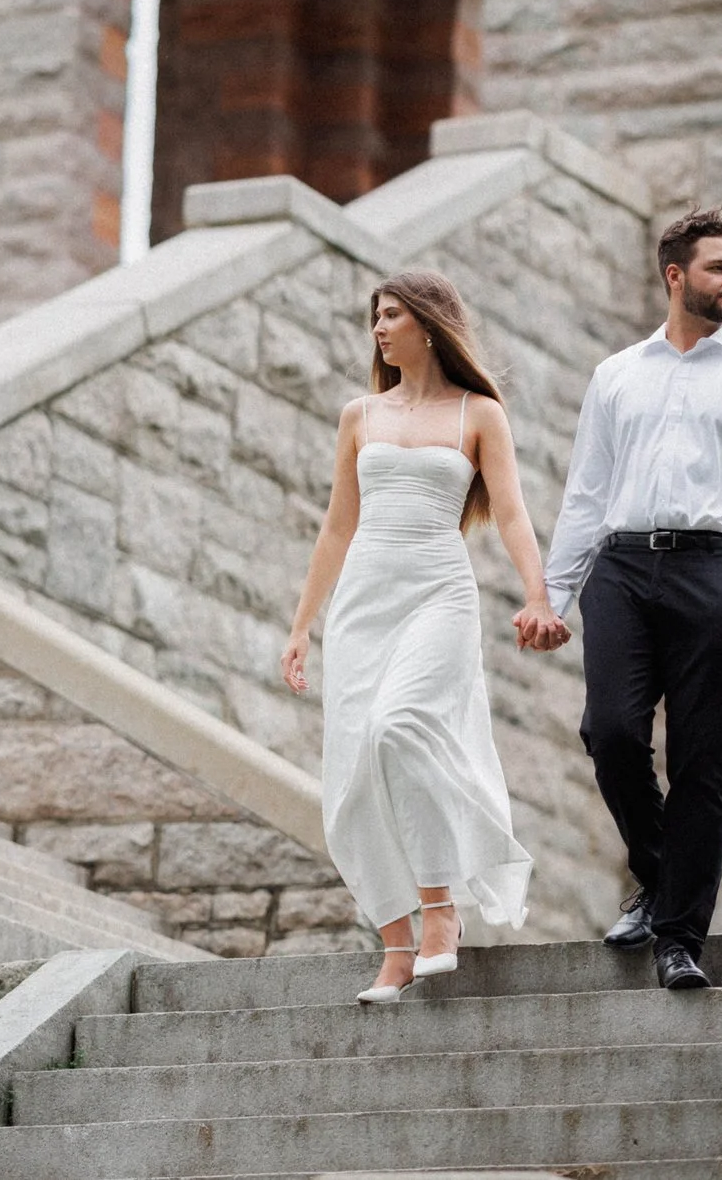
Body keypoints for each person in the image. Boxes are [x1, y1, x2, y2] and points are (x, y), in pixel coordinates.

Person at [282, 270, 571, 1004]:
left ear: (429, 324)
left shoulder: (480, 414)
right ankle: (396, 944)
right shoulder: (360, 415)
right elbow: (338, 525)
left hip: (438, 594)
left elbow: (509, 513)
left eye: (391, 315)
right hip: (362, 603)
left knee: (399, 725)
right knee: (353, 773)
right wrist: (302, 625)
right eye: (375, 318)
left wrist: (538, 592)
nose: (378, 329)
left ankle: (440, 908)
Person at [541, 208, 722, 990]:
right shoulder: (617, 375)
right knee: (610, 732)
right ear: (676, 276)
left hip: (717, 577)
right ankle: (660, 879)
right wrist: (556, 594)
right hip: (622, 570)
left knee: (702, 761)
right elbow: (587, 492)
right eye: (720, 269)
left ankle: (679, 937)